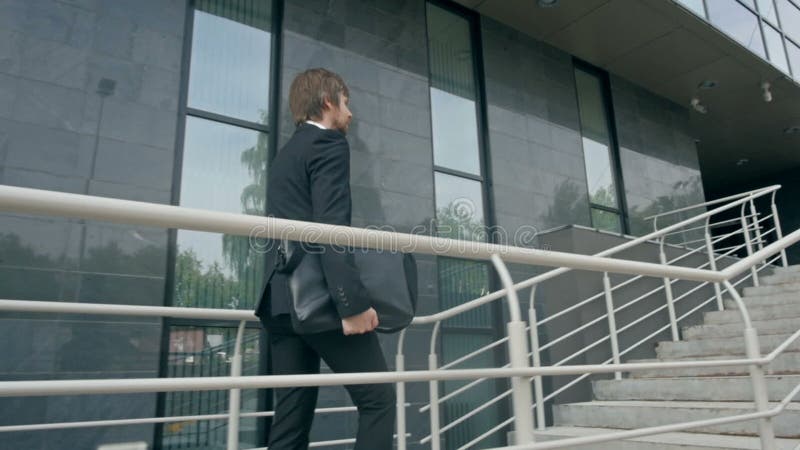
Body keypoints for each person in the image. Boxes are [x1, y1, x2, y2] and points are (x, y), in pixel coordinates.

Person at [254, 68, 395, 450]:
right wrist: (352, 304)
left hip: (280, 301)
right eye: (346, 103)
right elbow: (331, 229)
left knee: (291, 417)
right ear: (328, 102)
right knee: (378, 399)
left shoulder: (284, 155)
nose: (350, 114)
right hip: (319, 299)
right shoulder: (329, 144)